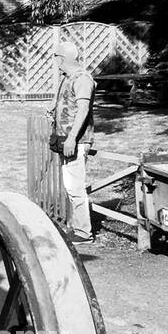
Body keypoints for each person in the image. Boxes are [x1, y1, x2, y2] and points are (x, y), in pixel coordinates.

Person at [50, 39, 96, 244]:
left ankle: (84, 233)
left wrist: (71, 139)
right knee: (70, 186)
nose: (56, 63)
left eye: (57, 58)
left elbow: (83, 110)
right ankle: (77, 227)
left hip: (75, 141)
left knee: (76, 188)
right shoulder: (67, 78)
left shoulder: (82, 78)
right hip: (66, 140)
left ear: (62, 58)